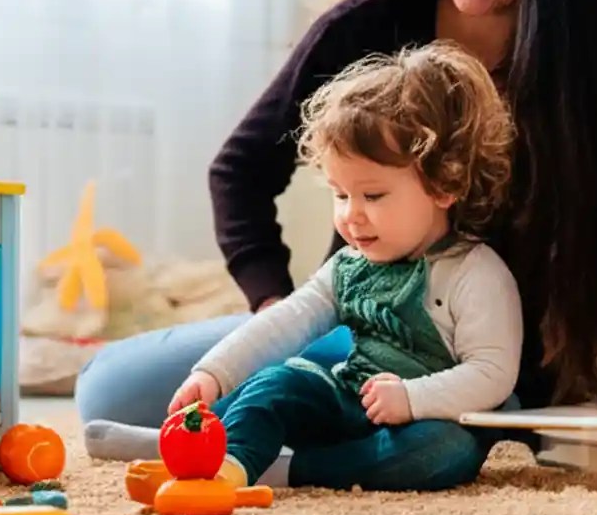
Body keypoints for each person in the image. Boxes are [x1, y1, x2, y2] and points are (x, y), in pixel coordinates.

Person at [77, 0, 597, 477]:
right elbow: (239, 172)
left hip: (476, 368)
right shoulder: (367, 26)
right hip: (349, 335)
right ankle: (269, 442)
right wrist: (277, 309)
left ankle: (288, 463)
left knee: (435, 447)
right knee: (108, 392)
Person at [158, 42, 520, 490]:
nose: (351, 214)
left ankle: (292, 471)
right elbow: (287, 320)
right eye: (341, 194)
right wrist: (213, 372)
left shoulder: (475, 273)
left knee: (442, 451)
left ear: (444, 185)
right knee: (274, 384)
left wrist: (411, 398)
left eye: (373, 196)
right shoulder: (349, 265)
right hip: (347, 400)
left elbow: (492, 375)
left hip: (422, 419)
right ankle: (228, 464)